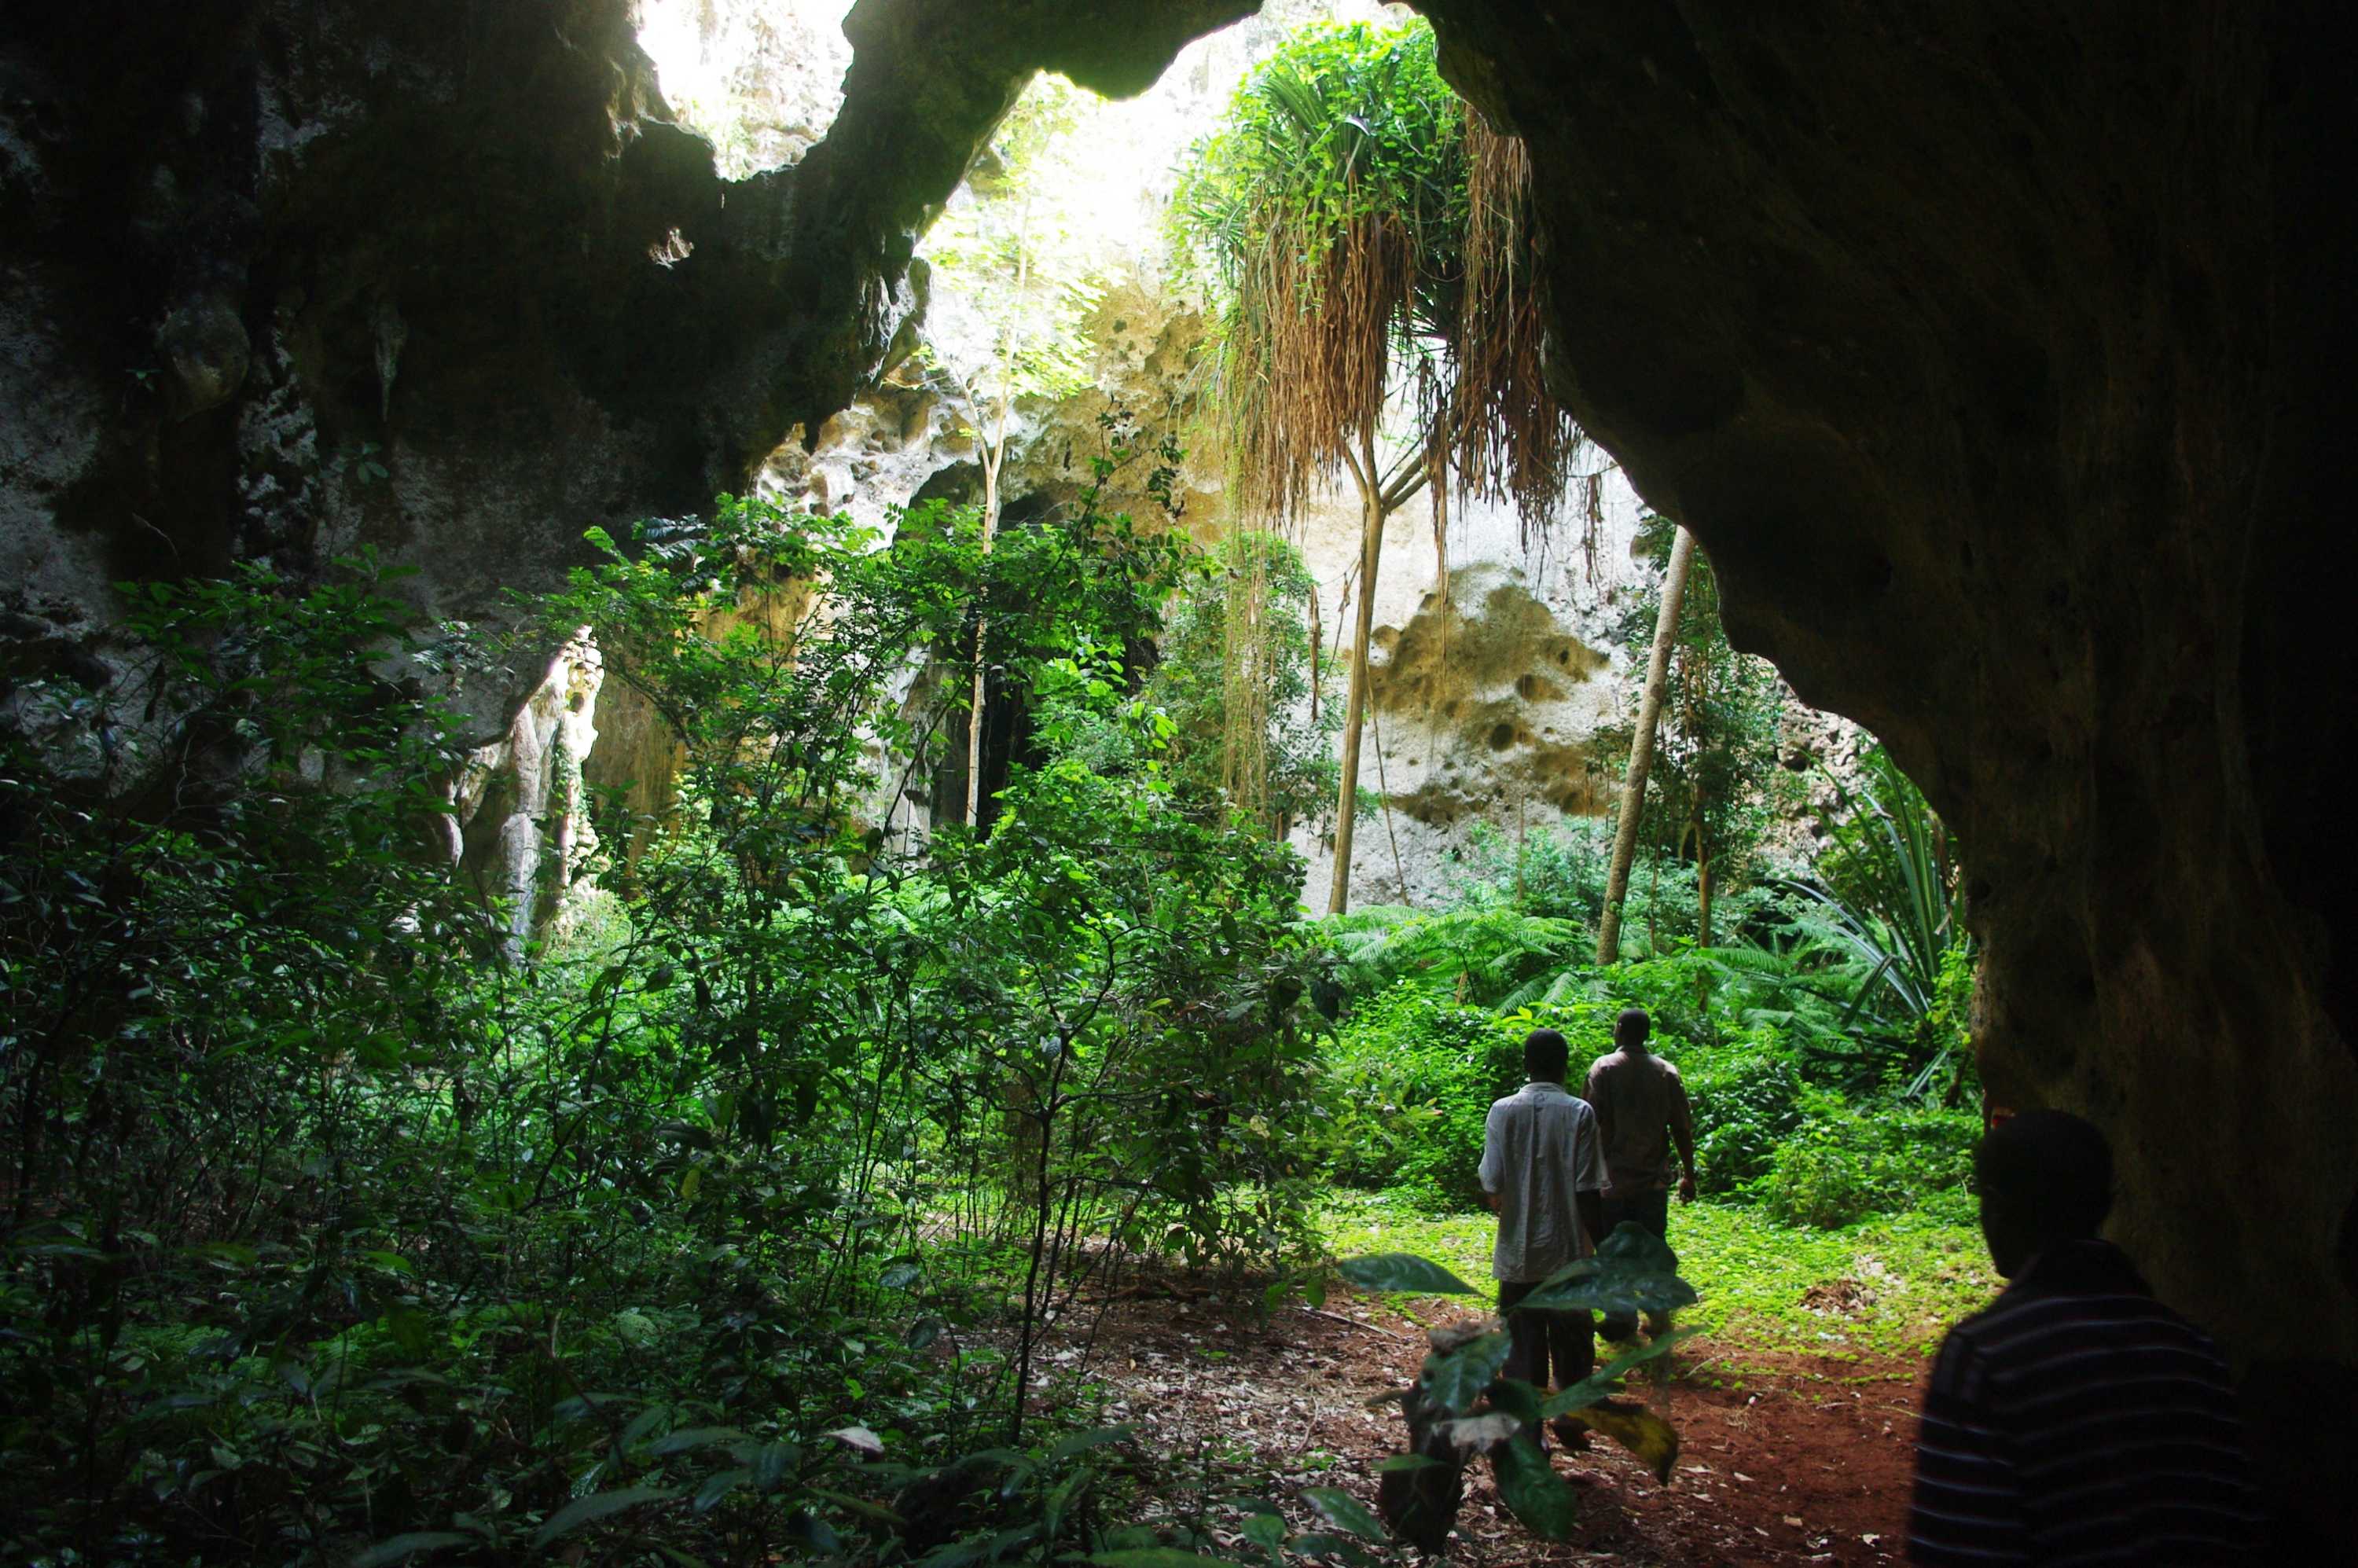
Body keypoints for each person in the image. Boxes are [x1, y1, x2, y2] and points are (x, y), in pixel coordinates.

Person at [1907, 1110, 2261, 1566]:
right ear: (2106, 1206)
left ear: (1996, 1207)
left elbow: (1956, 1549)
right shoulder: (2194, 1351)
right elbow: (2235, 1531)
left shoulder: (1984, 1357)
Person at [1478, 1027, 1607, 1436]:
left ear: (1526, 1065)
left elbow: (1492, 1180)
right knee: (1573, 1336)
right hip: (1568, 1251)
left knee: (1521, 1343)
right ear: (1565, 1066)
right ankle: (1569, 1413)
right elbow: (1587, 1190)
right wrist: (1604, 1247)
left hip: (1518, 1252)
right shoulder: (1580, 1113)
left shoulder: (1502, 1111)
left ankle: (1527, 1430)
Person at [1582, 1006, 1695, 1340]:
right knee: (1652, 1247)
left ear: (1619, 1029)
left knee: (1613, 1249)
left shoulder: (1603, 1068)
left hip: (1611, 1181)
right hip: (1652, 1181)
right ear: (1646, 1034)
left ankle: (1620, 1317)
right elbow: (1682, 1128)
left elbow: (1587, 1123)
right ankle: (1658, 1314)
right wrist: (1689, 1174)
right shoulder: (1665, 1072)